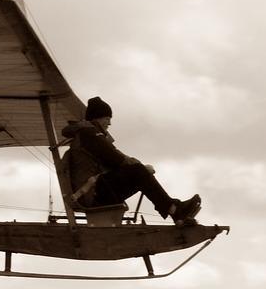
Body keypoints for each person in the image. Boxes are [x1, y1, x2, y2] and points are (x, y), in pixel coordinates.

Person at [60, 96, 202, 226]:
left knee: (138, 171)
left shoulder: (90, 134)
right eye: (107, 118)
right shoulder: (89, 134)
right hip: (92, 194)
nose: (109, 122)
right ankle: (175, 210)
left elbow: (115, 159)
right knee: (137, 171)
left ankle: (175, 212)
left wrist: (139, 168)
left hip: (94, 191)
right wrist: (141, 169)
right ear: (97, 118)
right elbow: (115, 159)